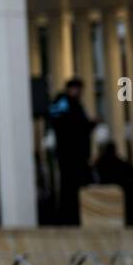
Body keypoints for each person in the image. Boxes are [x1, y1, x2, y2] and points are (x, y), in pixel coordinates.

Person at [47, 77, 95, 224]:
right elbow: (57, 118)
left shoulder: (74, 104)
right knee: (69, 186)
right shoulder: (64, 102)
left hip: (76, 154)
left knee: (76, 186)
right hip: (69, 154)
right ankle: (68, 216)